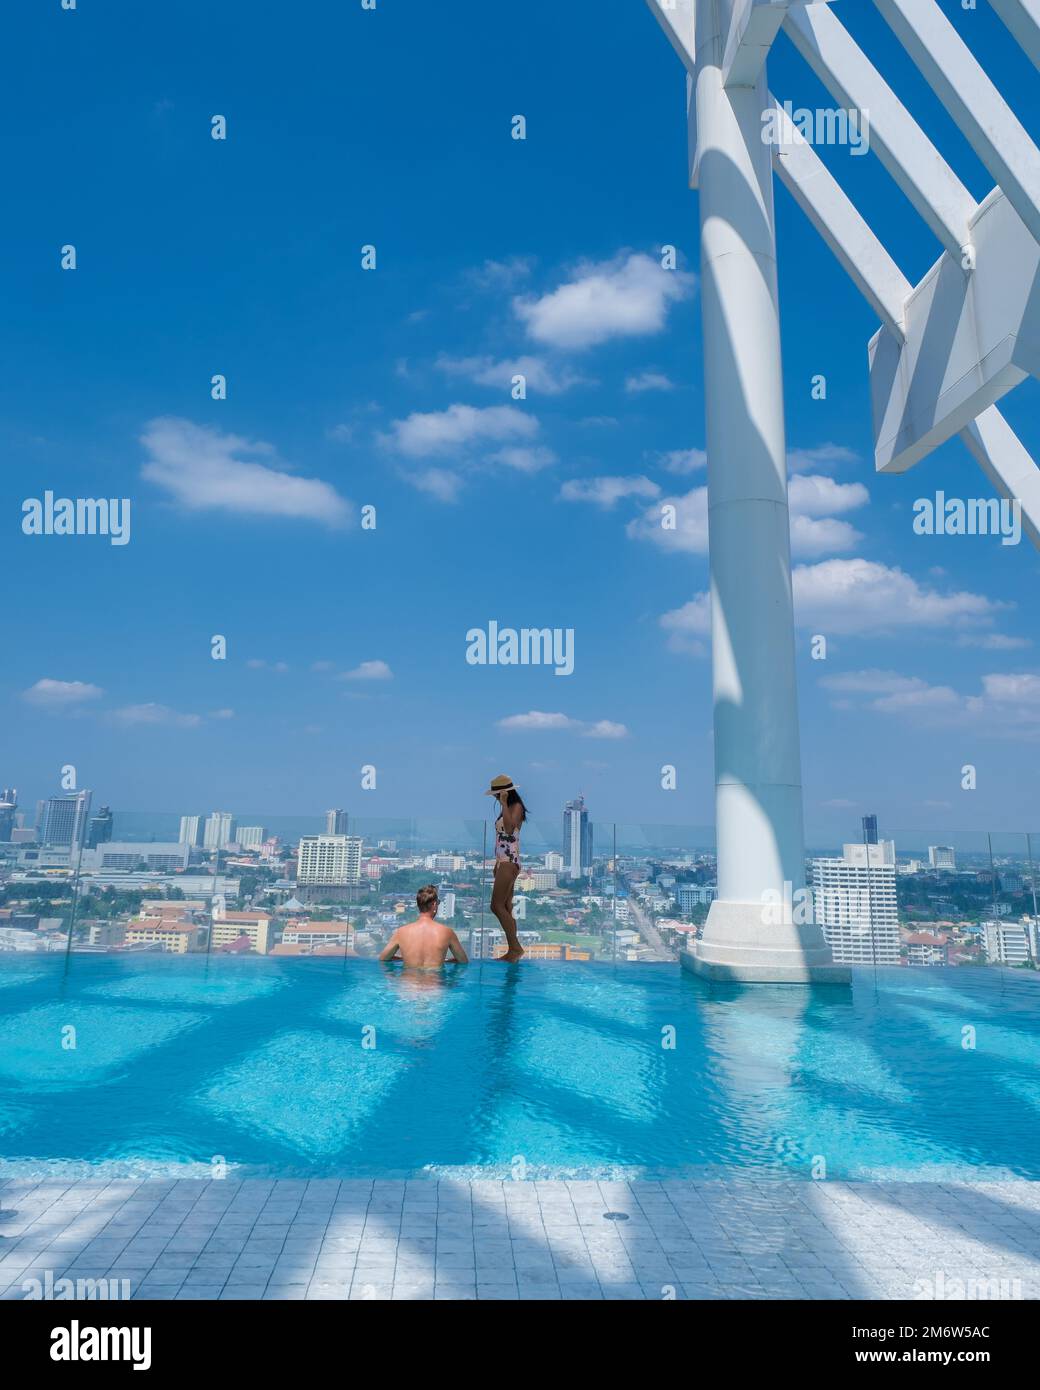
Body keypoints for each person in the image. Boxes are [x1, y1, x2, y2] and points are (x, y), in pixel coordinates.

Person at [486, 774, 527, 961]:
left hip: (510, 863)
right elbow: (501, 839)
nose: (495, 797)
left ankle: (515, 947)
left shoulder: (515, 807)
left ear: (505, 793)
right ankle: (513, 950)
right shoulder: (507, 809)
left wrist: (503, 803)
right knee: (506, 906)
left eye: (498, 794)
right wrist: (497, 863)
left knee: (496, 906)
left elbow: (510, 830)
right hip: (503, 862)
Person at [379, 884, 469, 968]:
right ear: (434, 904)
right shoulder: (447, 932)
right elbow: (463, 961)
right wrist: (443, 961)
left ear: (419, 905)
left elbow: (383, 959)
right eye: (438, 902)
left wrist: (406, 959)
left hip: (408, 984)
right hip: (434, 984)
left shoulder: (401, 932)